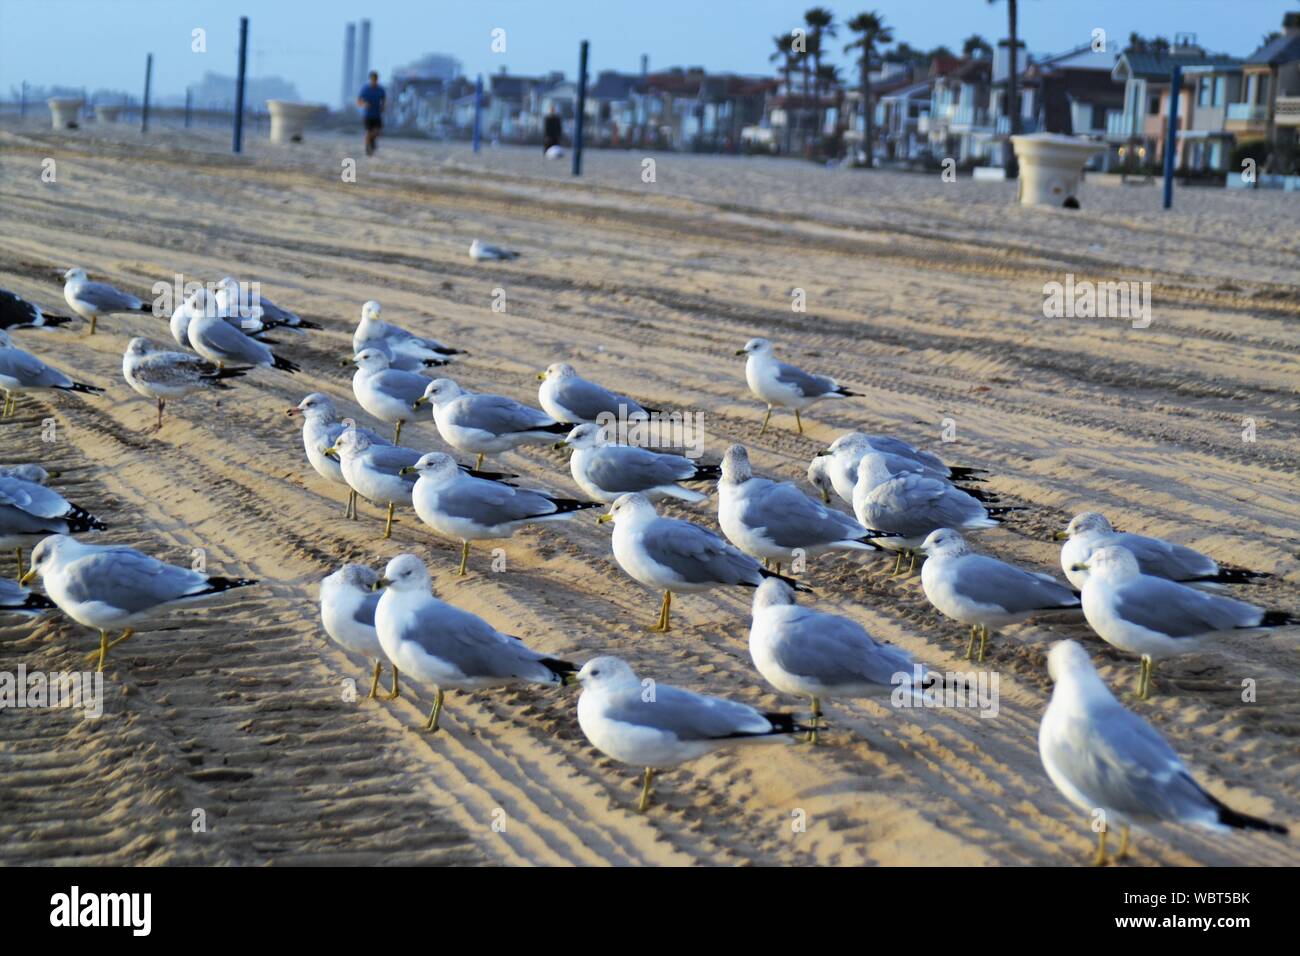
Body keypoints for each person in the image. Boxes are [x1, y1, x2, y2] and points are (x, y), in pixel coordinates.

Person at [356, 71, 386, 156]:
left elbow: (384, 99)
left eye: (375, 79)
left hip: (377, 114)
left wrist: (383, 106)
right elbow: (358, 102)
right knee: (368, 132)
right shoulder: (365, 89)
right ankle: (367, 147)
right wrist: (364, 104)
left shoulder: (380, 89)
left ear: (377, 80)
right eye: (372, 79)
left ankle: (371, 142)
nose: (374, 81)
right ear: (370, 79)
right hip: (367, 115)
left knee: (378, 132)